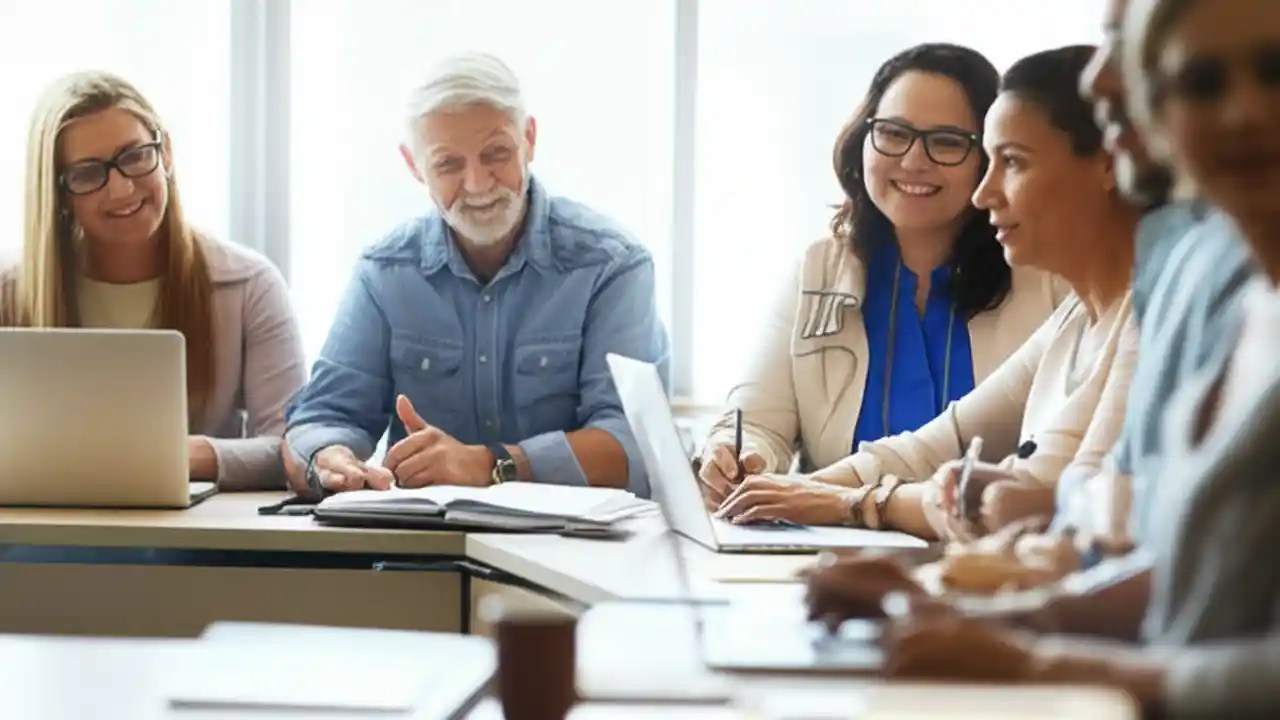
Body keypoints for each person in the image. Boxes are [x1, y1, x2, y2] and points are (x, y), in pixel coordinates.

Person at [877, 1, 1280, 716]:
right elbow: (1181, 568)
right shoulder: (1223, 278)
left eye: (1275, 73)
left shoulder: (1165, 277)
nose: (1242, 111)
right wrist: (999, 625)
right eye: (1202, 81)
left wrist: (1038, 660)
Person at [718, 47, 1140, 543]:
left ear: (1111, 163)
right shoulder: (1075, 317)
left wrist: (854, 503)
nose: (986, 193)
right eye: (893, 134)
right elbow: (938, 445)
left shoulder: (1132, 307)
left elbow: (1028, 501)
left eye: (1011, 162)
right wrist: (786, 493)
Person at [283, 53, 669, 497]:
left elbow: (634, 446)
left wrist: (491, 463)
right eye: (448, 164)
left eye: (496, 153)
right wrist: (327, 460)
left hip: (575, 553)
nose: (478, 183)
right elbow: (321, 418)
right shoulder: (384, 272)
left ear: (529, 140)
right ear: (414, 165)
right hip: (422, 552)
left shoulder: (612, 265)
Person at [0, 71, 305, 490]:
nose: (122, 189)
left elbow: (293, 449)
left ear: (167, 154)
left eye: (135, 156)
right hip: (43, 533)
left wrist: (192, 455)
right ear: (60, 196)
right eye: (88, 174)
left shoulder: (247, 284)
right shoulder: (10, 292)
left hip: (191, 540)